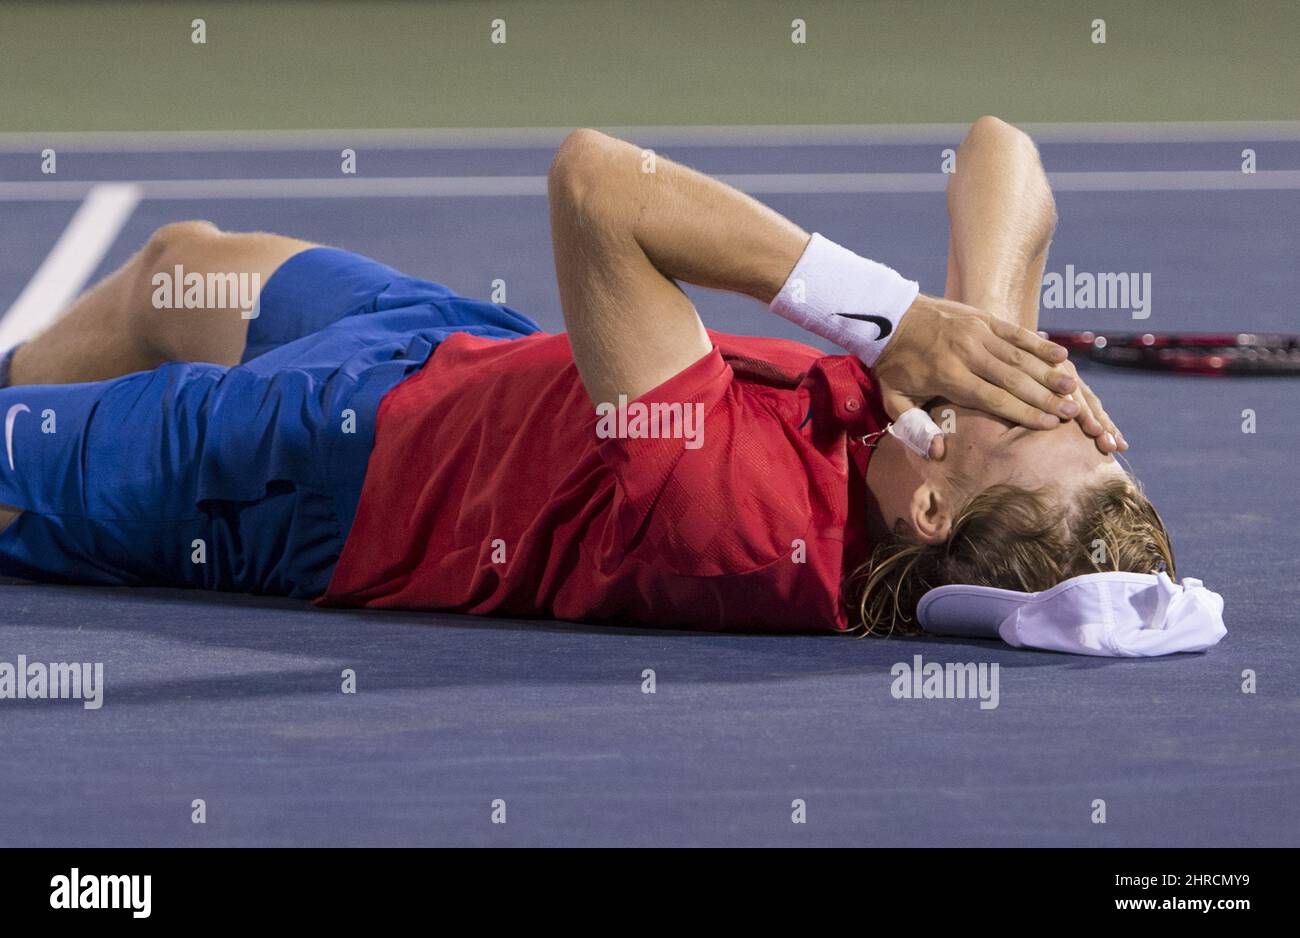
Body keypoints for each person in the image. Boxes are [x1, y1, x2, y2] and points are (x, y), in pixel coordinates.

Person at [0, 116, 1173, 635]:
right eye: (1065, 404)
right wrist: (999, 338)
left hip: (321, 470)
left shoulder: (738, 523)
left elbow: (596, 183)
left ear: (929, 507)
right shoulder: (942, 426)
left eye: (1031, 420)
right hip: (463, 359)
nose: (1034, 398)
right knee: (177, 273)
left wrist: (891, 313)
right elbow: (1002, 153)